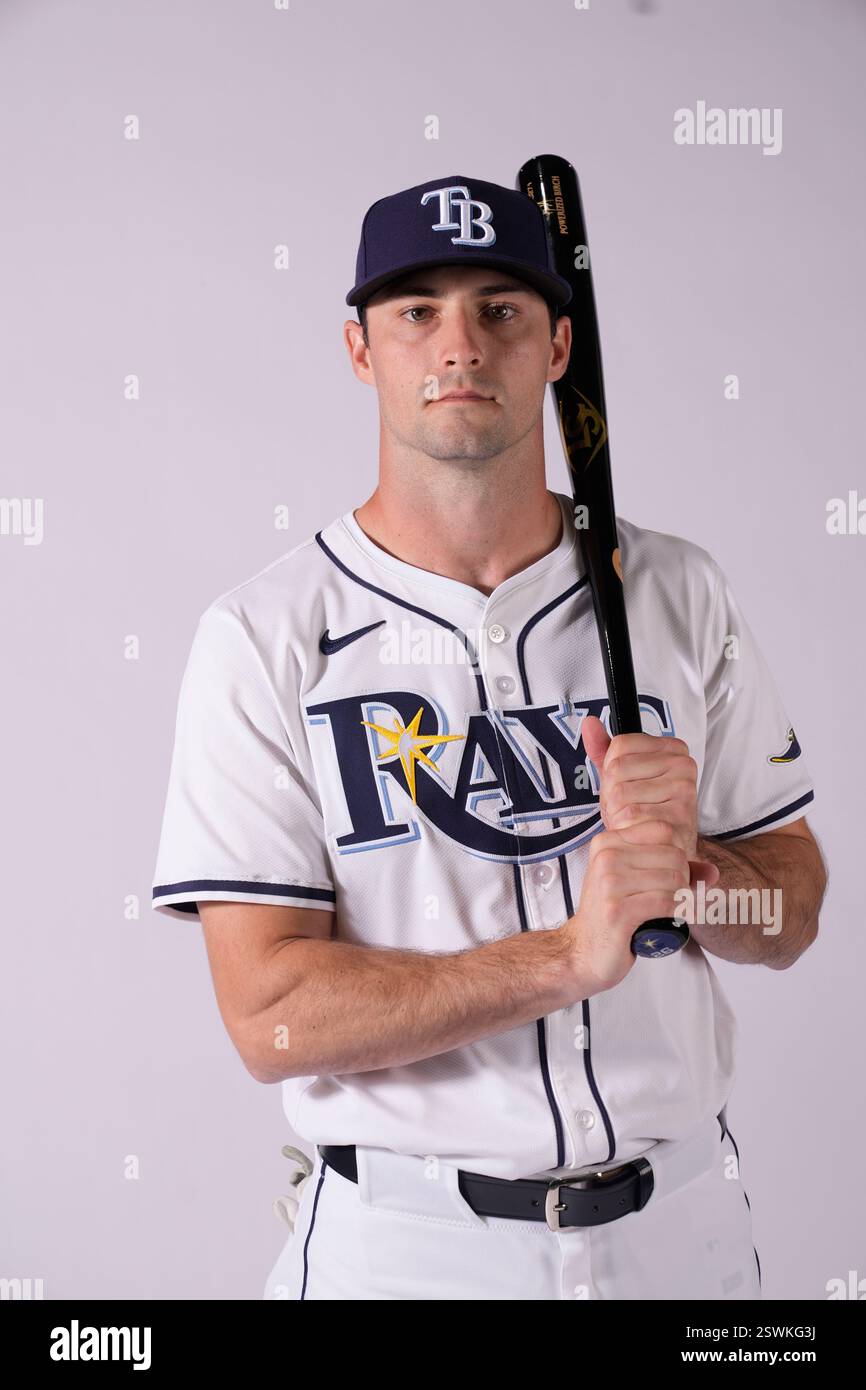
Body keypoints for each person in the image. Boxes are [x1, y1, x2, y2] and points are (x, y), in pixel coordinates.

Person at [151, 174, 828, 1301]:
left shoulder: (673, 589)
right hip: (410, 1247)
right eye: (415, 310)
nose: (457, 343)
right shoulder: (264, 635)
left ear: (559, 344)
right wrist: (568, 953)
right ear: (360, 351)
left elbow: (790, 912)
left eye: (499, 310)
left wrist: (694, 879)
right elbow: (269, 1015)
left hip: (683, 1235)